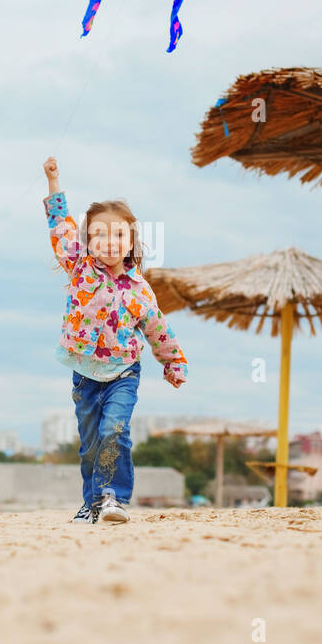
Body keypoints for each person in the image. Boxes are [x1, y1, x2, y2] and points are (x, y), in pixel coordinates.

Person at [42, 156, 187, 524]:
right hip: (85, 373)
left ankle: (113, 498)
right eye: (99, 235)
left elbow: (157, 328)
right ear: (88, 241)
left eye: (118, 234)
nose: (109, 242)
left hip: (124, 371)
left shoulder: (139, 290)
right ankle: (91, 504)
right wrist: (54, 181)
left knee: (114, 431)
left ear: (131, 241)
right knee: (91, 443)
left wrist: (172, 362)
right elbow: (61, 226)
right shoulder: (79, 266)